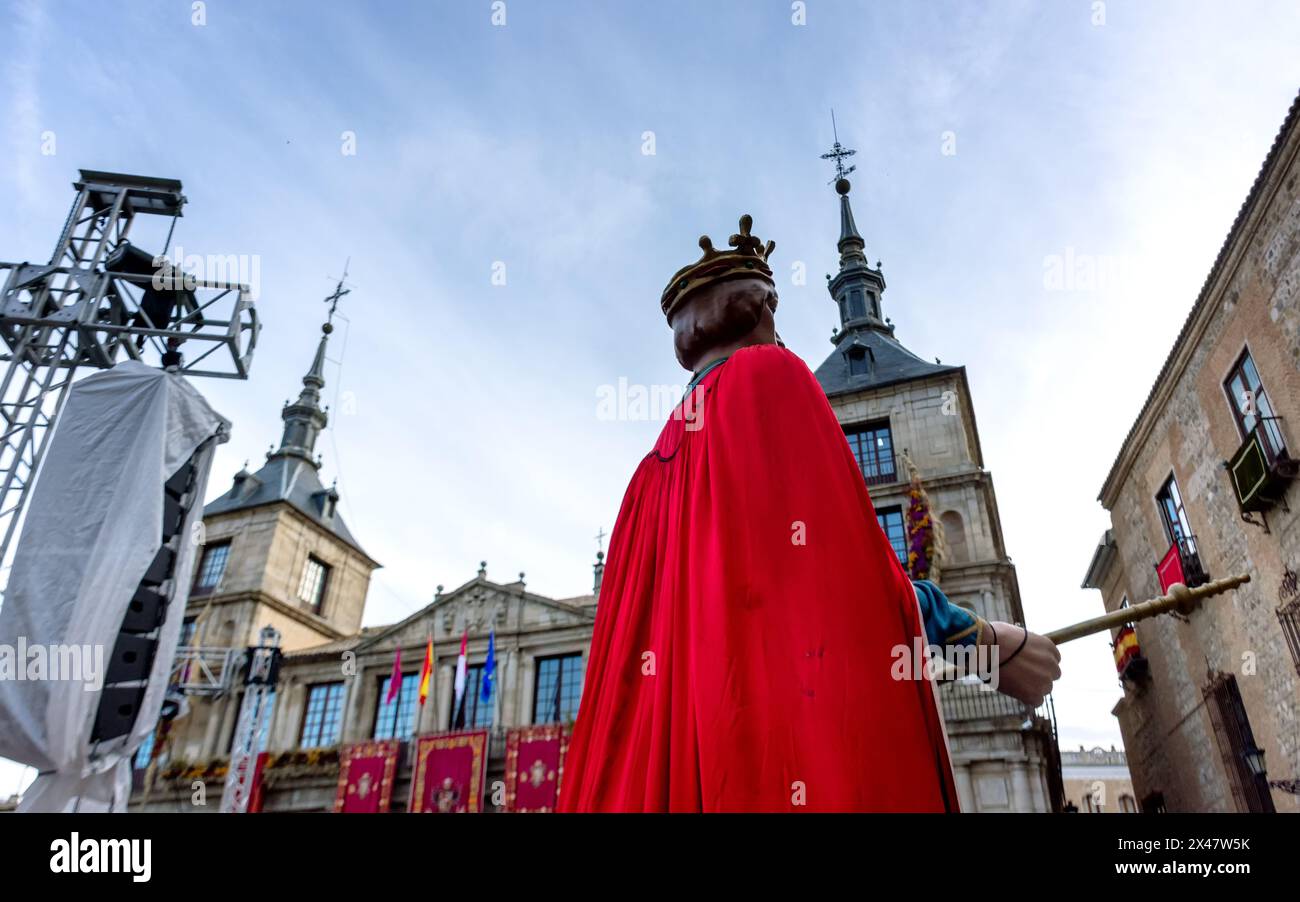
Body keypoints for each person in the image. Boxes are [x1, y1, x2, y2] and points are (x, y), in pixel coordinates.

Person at [558, 215, 1060, 812]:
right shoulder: (769, 380)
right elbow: (844, 575)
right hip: (775, 748)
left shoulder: (648, 476)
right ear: (763, 309)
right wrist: (983, 644)